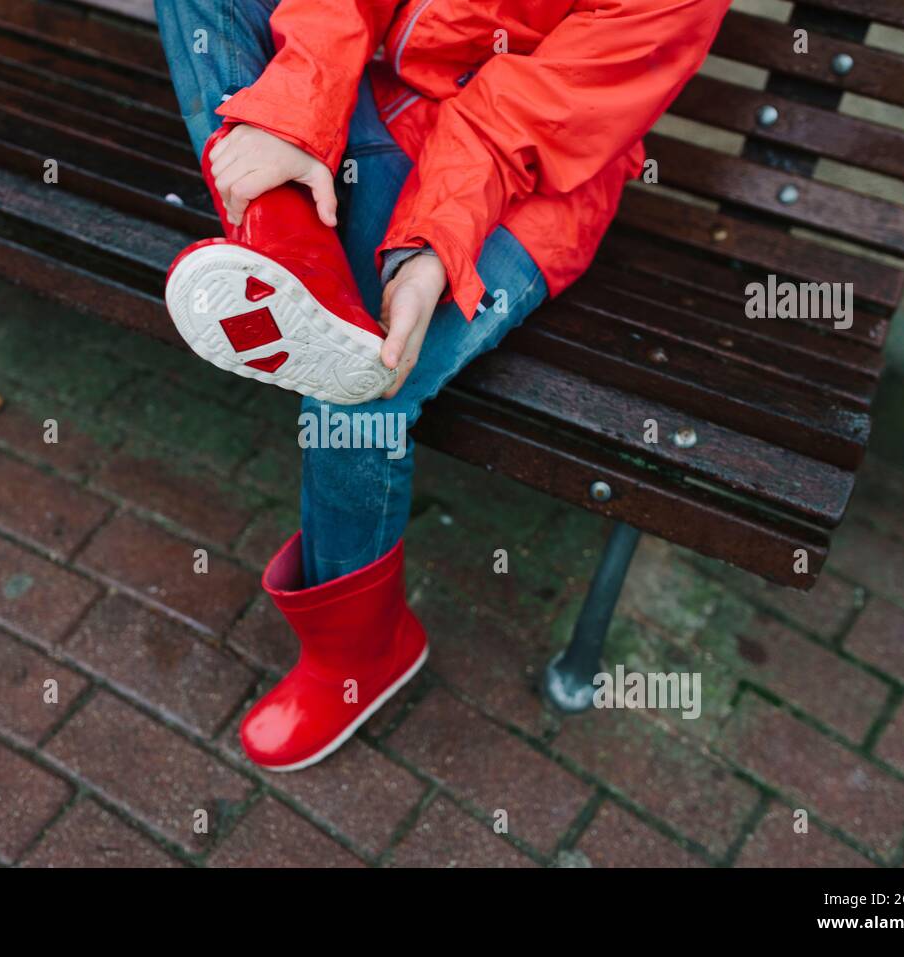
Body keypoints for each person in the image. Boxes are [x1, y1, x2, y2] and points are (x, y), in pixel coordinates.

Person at [155, 0, 731, 771]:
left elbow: (524, 119)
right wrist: (295, 118)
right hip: (369, 93)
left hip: (526, 180)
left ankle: (361, 657)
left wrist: (428, 249)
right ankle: (287, 232)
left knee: (362, 381)